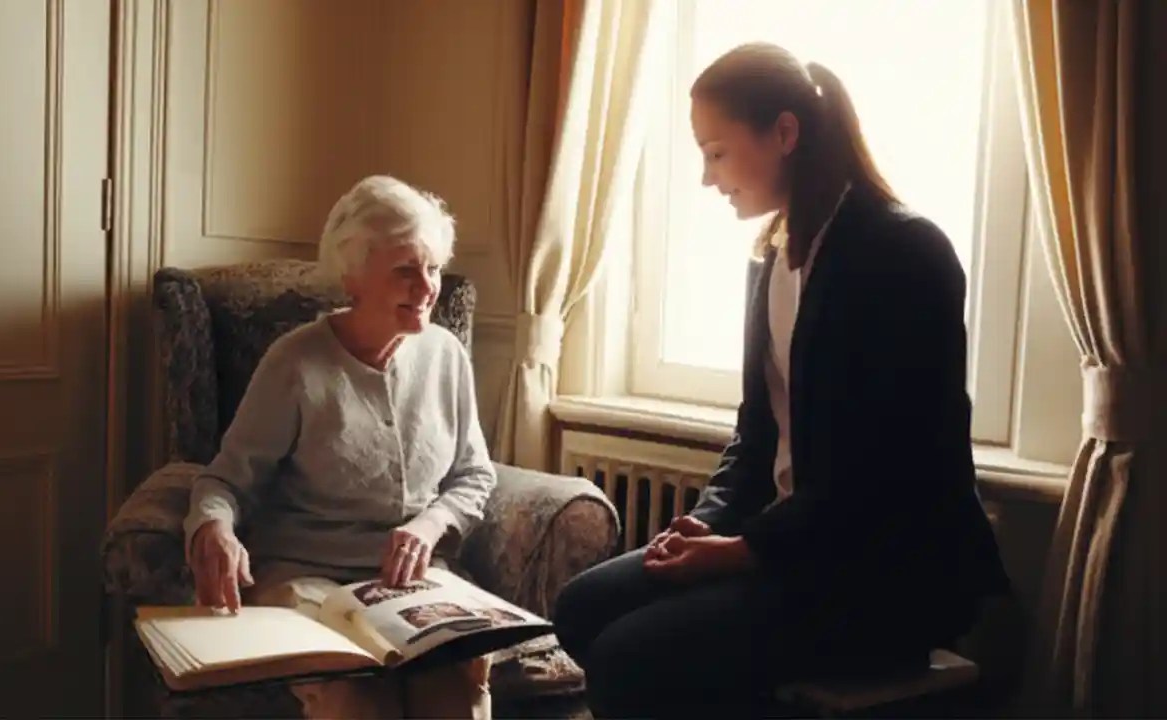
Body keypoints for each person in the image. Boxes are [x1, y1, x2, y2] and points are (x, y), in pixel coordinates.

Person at [551, 43, 1010, 718]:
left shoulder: (904, 253)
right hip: (786, 545)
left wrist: (742, 552)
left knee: (627, 657)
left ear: (785, 133)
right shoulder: (770, 258)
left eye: (716, 152)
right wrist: (702, 527)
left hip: (883, 571)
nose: (708, 179)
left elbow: (881, 473)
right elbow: (756, 435)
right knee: (580, 607)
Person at [182, 175, 498, 718]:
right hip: (305, 574)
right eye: (405, 270)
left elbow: (475, 474)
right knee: (355, 692)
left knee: (455, 682)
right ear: (353, 277)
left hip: (410, 584)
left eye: (433, 268)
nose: (427, 289)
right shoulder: (296, 363)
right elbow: (224, 481)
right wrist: (214, 528)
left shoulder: (446, 356)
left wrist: (429, 525)